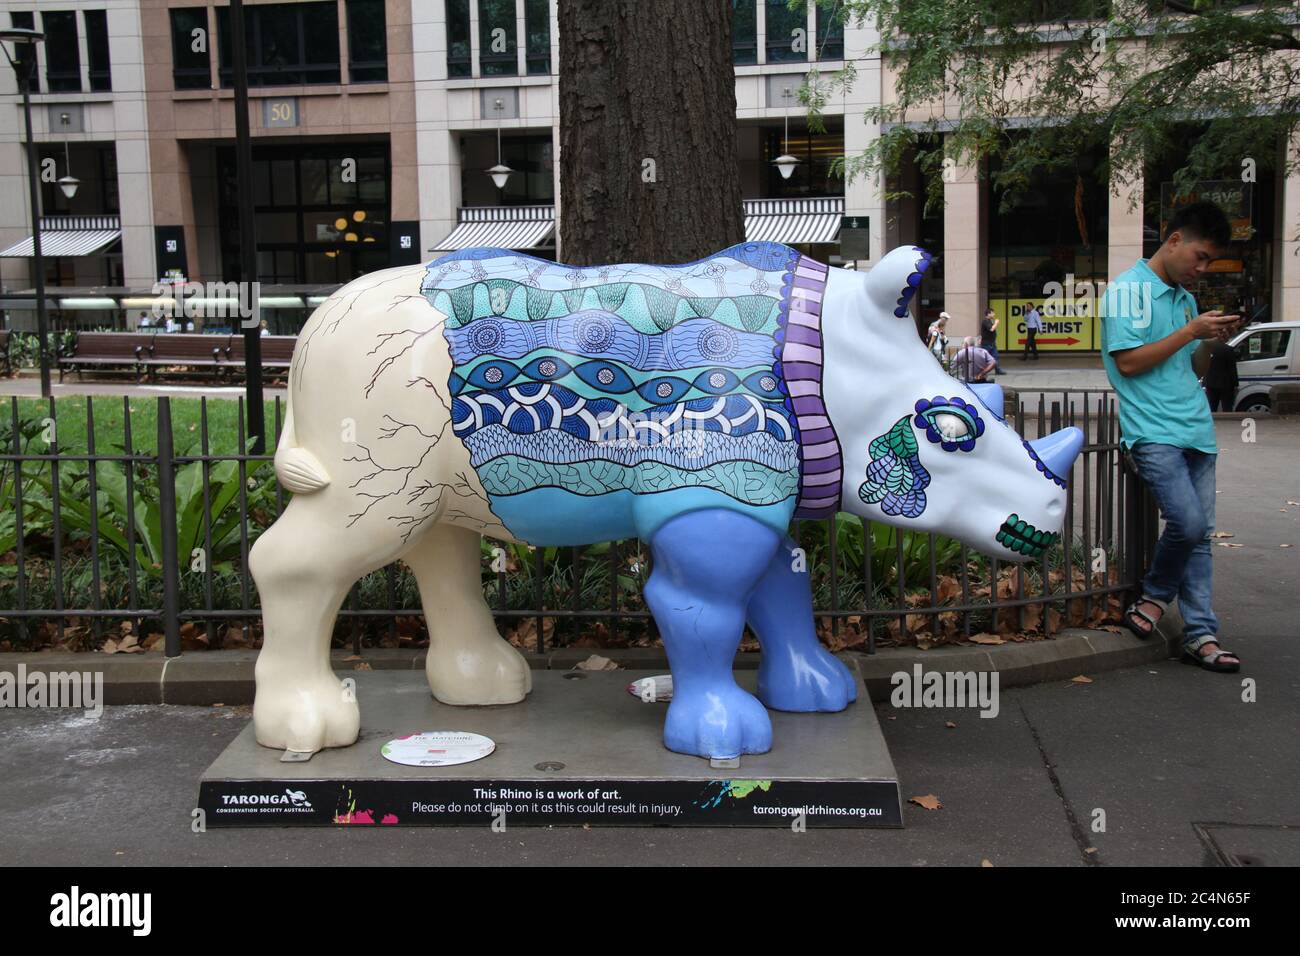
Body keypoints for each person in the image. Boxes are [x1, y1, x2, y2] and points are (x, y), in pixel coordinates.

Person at [1101, 200, 1243, 673]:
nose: (1201, 268)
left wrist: (1209, 340)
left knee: (1201, 539)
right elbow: (1129, 363)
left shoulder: (1184, 298)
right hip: (1153, 430)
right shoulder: (1127, 292)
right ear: (1174, 239)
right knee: (1188, 524)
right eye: (1199, 257)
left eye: (1209, 262)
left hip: (1196, 428)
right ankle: (1156, 596)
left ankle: (1201, 634)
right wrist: (1190, 331)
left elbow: (1192, 366)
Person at [1202, 338, 1238, 412]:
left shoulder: (1207, 349)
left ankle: (1213, 421)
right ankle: (1227, 421)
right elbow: (1232, 369)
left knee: (1212, 406)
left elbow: (1203, 365)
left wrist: (1204, 382)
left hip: (1210, 382)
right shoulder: (1228, 349)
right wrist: (1235, 384)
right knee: (1227, 406)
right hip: (1225, 383)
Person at [980, 307, 1002, 373]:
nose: (994, 314)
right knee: (984, 358)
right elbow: (991, 329)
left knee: (996, 356)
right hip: (986, 344)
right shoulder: (985, 321)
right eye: (992, 313)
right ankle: (981, 371)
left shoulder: (989, 321)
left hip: (991, 343)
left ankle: (997, 370)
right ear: (988, 314)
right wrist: (996, 323)